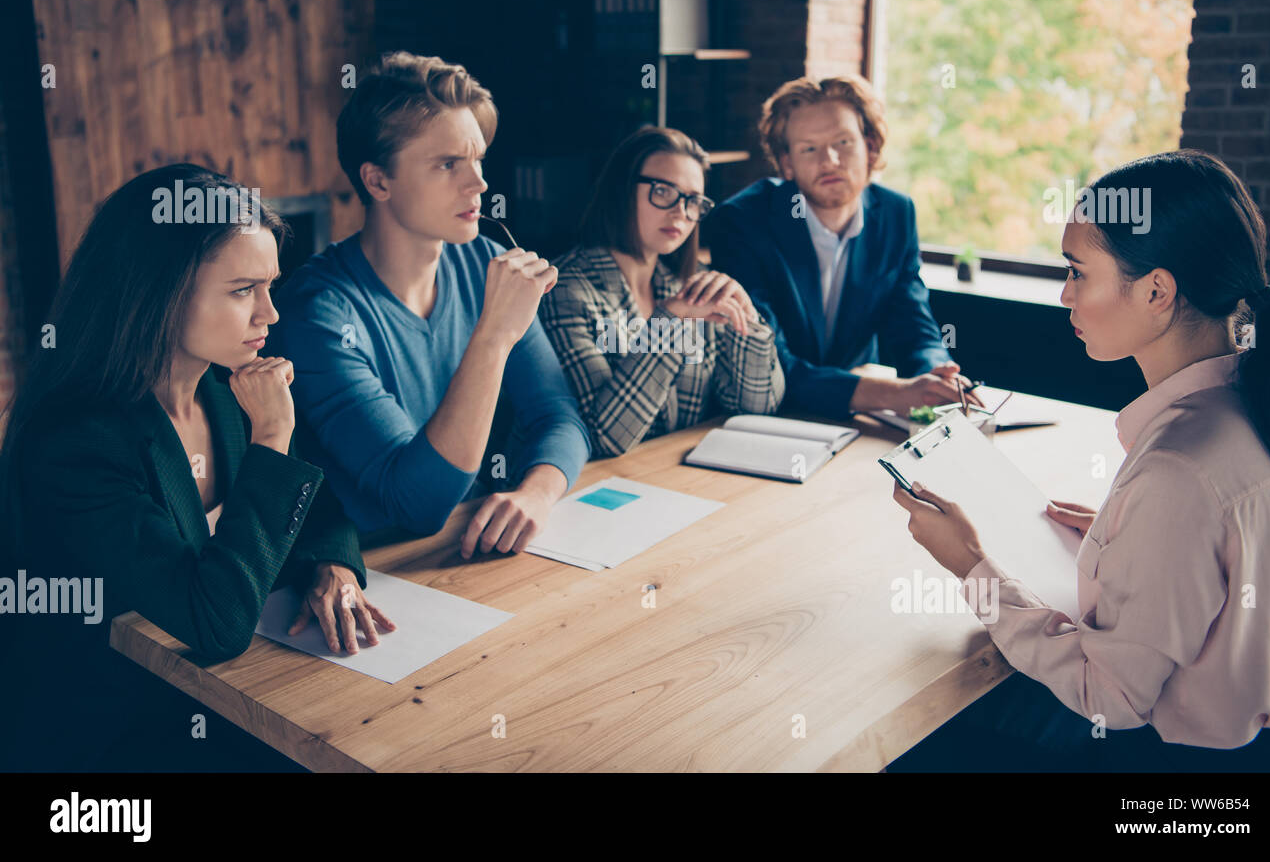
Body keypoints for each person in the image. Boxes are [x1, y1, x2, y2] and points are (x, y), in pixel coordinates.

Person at [889, 150, 1270, 771]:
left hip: (1183, 775)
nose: (1064, 294)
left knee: (914, 737)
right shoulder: (1259, 401)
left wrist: (970, 564)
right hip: (1262, 751)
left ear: (1157, 290)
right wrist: (1121, 540)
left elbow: (1112, 698)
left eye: (1078, 272)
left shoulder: (1179, 470)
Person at [0, 164, 390, 772]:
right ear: (158, 291)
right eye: (242, 291)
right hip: (115, 743)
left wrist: (333, 567)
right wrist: (273, 436)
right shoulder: (76, 445)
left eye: (269, 286)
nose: (271, 314)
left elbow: (318, 510)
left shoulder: (221, 390)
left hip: (219, 701)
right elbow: (217, 623)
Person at [268, 52, 590, 560]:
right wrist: (492, 338)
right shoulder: (317, 313)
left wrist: (537, 493)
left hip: (466, 549)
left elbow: (559, 415)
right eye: (448, 164)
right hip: (371, 571)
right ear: (378, 182)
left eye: (478, 159)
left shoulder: (485, 261)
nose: (479, 184)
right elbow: (417, 503)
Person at [708, 75, 982, 419]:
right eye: (809, 148)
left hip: (852, 419)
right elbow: (767, 363)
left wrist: (938, 376)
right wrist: (894, 394)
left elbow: (912, 321)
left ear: (869, 146)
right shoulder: (742, 222)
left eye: (843, 142)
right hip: (765, 417)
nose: (830, 161)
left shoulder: (896, 213)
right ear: (787, 163)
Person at [540, 127, 784, 457]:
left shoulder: (693, 283)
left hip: (675, 478)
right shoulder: (566, 291)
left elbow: (757, 408)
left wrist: (747, 320)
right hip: (598, 490)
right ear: (621, 190)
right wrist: (668, 321)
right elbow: (603, 438)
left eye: (693, 201)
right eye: (663, 191)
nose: (680, 213)